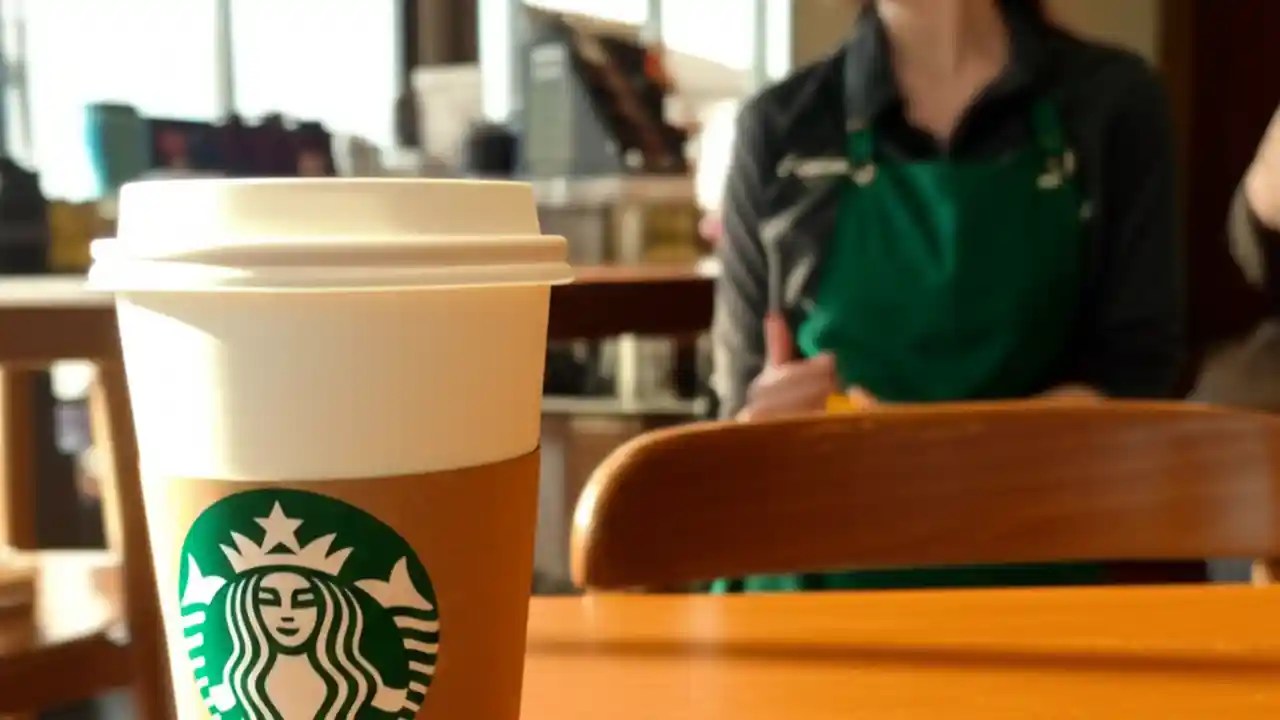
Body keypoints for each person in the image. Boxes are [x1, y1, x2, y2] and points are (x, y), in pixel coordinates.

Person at [711, 0, 1182, 591]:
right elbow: (735, 415)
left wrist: (946, 457)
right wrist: (764, 418)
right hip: (813, 584)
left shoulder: (1113, 102)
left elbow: (1136, 373)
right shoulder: (779, 126)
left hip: (1031, 578)